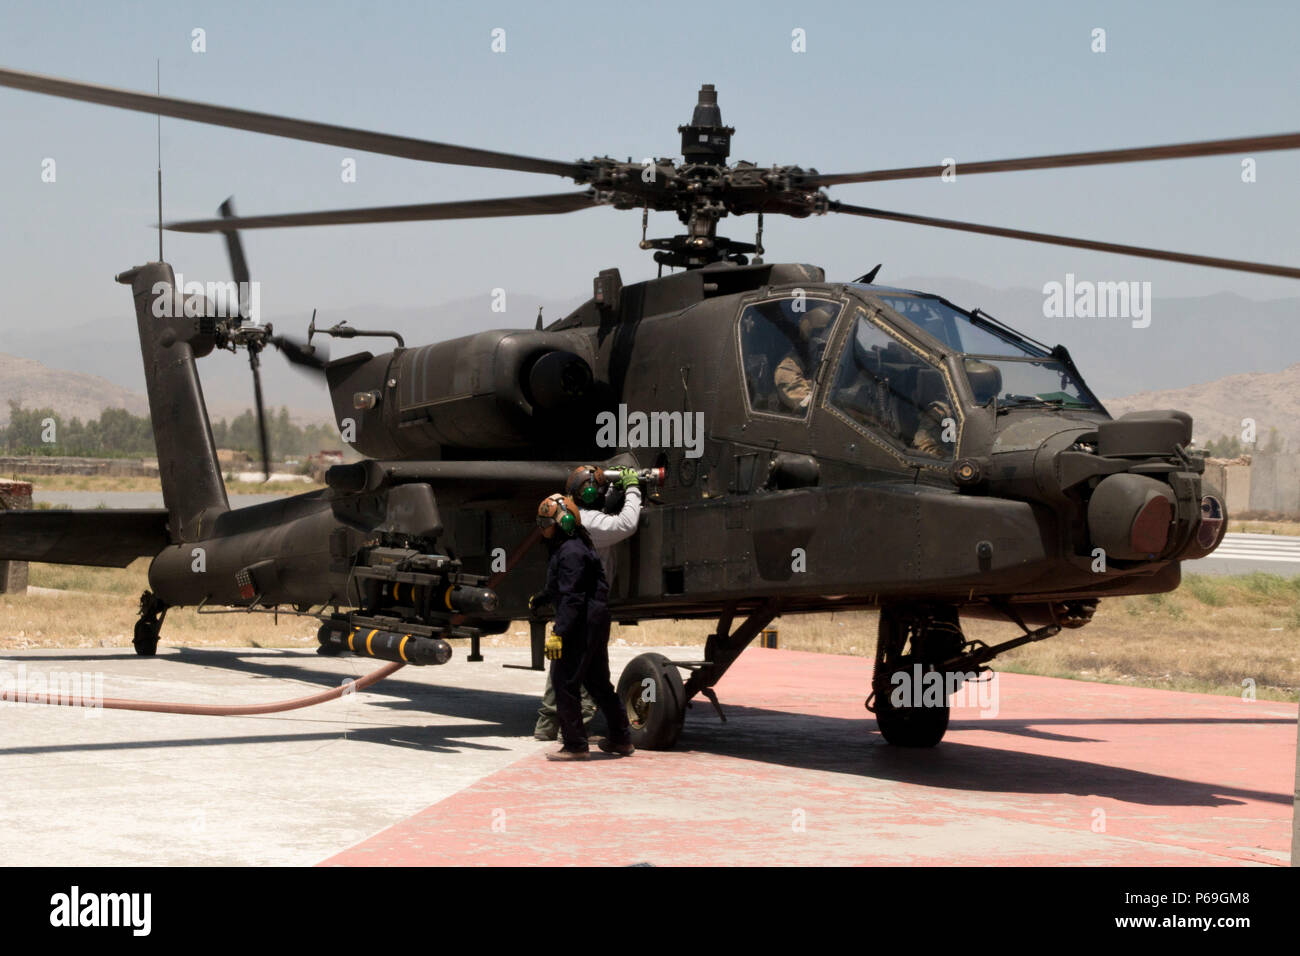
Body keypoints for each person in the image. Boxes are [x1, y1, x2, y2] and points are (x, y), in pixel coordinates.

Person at [531, 466, 642, 740]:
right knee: (587, 677)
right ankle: (617, 736)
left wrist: (559, 631)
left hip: (583, 613)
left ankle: (573, 738)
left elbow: (573, 596)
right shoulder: (577, 539)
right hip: (591, 610)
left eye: (547, 525)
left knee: (568, 677)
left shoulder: (575, 542)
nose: (544, 531)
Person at [774, 304, 836, 413]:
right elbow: (808, 404)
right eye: (818, 333)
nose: (824, 341)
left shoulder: (824, 363)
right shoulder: (786, 369)